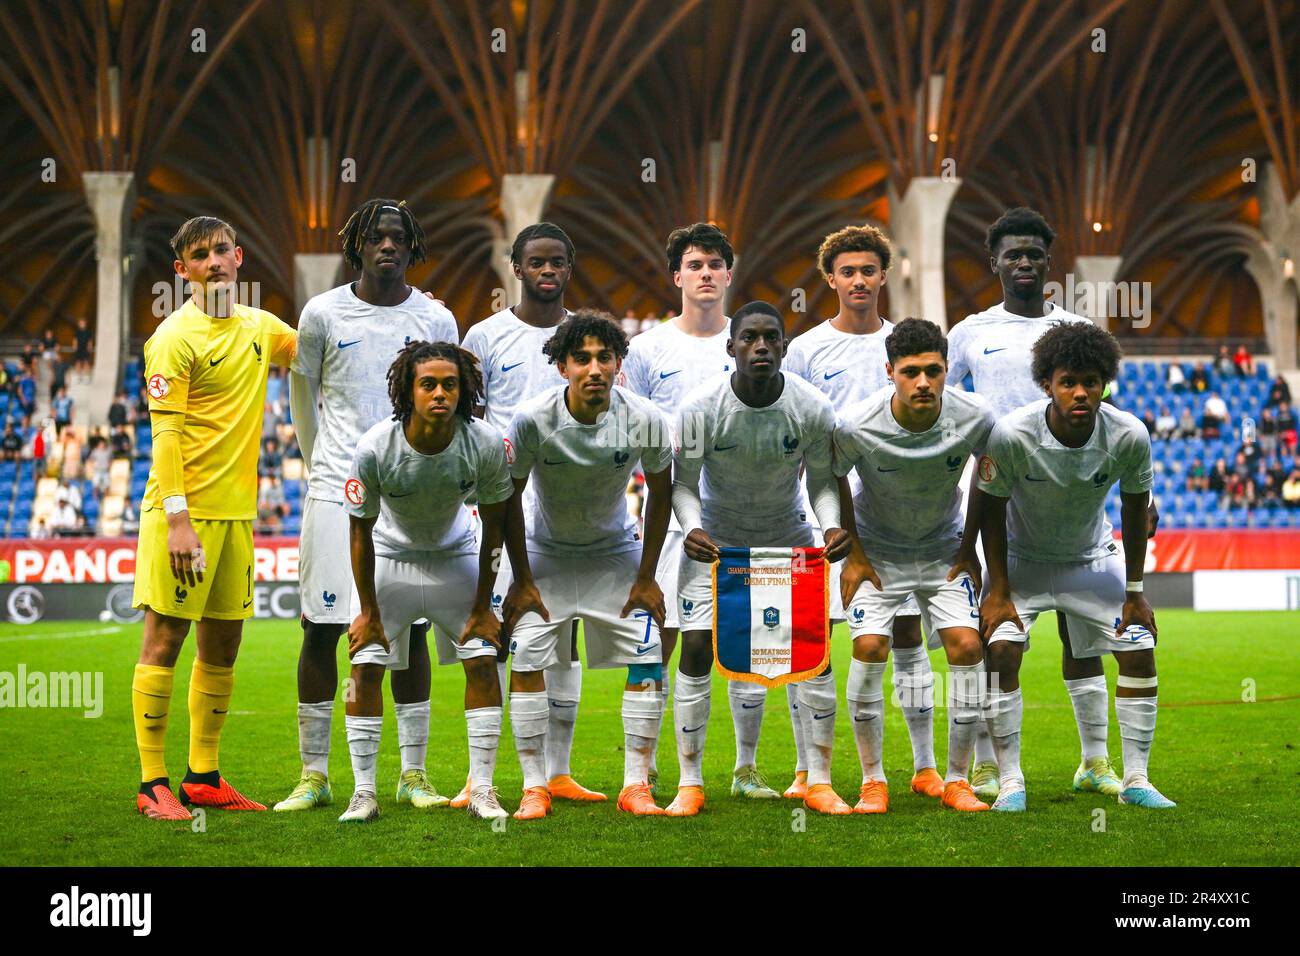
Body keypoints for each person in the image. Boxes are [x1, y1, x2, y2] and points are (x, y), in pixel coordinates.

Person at [278, 198, 459, 814]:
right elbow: (303, 392)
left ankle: (413, 774)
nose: (388, 246)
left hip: (411, 497)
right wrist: (316, 463)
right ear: (357, 245)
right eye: (376, 238)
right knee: (322, 629)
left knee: (409, 632)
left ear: (413, 246)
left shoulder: (435, 316)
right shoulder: (322, 313)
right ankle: (313, 774)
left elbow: (448, 406)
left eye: (398, 238)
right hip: (334, 490)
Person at [947, 206, 1131, 800]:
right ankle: (986, 765)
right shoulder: (970, 332)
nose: (1023, 262)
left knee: (1083, 642)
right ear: (994, 263)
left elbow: (1106, 419)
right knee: (992, 639)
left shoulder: (1079, 326)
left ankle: (1096, 764)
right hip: (995, 504)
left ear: (1048, 263)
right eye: (1012, 254)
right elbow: (946, 417)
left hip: (1073, 505)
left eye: (1033, 253)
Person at [130, 215, 297, 820]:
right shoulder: (174, 337)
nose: (214, 262)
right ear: (183, 271)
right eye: (199, 256)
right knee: (165, 638)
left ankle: (203, 776)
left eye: (222, 250)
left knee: (224, 642)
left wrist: (402, 312)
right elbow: (165, 436)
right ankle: (153, 785)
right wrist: (178, 519)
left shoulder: (261, 326)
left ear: (240, 255)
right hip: (184, 514)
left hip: (236, 516)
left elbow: (317, 348)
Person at [978, 321, 1173, 810]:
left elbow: (1135, 509)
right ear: (1048, 384)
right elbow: (991, 513)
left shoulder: (1129, 434)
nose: (1081, 392)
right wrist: (997, 589)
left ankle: (1136, 779)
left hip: (1090, 560)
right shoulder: (1012, 434)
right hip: (1022, 562)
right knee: (1001, 651)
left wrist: (1134, 592)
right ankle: (1010, 781)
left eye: (1091, 381)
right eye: (1068, 382)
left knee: (1138, 645)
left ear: (1105, 381)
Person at [667, 301, 852, 817]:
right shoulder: (701, 408)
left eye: (771, 337)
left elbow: (821, 481)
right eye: (749, 338)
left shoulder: (811, 407)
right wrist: (693, 528)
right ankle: (690, 781)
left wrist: (831, 524)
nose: (761, 346)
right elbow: (682, 485)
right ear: (731, 348)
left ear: (784, 347)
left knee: (810, 655)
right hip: (718, 545)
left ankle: (817, 780)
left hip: (787, 541)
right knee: (699, 648)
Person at [784, 223, 939, 801]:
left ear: (884, 275)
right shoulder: (805, 349)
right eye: (846, 271)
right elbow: (794, 425)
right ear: (830, 279)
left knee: (905, 636)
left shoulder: (906, 342)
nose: (858, 280)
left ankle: (923, 766)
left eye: (868, 270)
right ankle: (809, 768)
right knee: (815, 638)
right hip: (825, 512)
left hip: (899, 513)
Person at [501, 311, 674, 819]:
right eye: (582, 359)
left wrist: (646, 578)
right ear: (562, 368)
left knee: (646, 656)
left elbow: (661, 494)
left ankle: (636, 785)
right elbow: (507, 499)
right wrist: (522, 580)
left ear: (620, 364)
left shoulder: (643, 417)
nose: (594, 368)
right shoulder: (531, 418)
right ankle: (536, 786)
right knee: (529, 658)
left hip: (613, 555)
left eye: (605, 358)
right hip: (544, 554)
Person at [339, 341, 514, 822]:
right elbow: (359, 533)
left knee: (482, 660)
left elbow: (495, 529)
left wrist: (484, 605)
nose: (440, 393)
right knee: (366, 666)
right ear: (407, 391)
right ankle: (364, 794)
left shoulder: (485, 443)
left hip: (455, 557)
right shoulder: (376, 446)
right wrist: (369, 612)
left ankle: (483, 789)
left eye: (450, 384)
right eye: (428, 384)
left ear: (464, 390)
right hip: (389, 560)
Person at [461, 222, 604, 804]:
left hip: (563, 503)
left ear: (570, 268)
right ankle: (482, 774)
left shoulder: (584, 338)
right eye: (536, 262)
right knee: (496, 635)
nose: (547, 271)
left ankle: (556, 770)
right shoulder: (486, 334)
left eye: (558, 262)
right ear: (515, 268)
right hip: (498, 499)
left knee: (558, 631)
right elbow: (470, 417)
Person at [834, 319, 994, 813]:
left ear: (947, 370)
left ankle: (957, 779)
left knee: (967, 646)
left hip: (943, 549)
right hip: (878, 552)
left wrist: (970, 549)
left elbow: (989, 482)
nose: (923, 382)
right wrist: (854, 555)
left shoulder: (976, 417)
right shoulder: (856, 423)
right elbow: (833, 479)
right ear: (890, 372)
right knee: (870, 645)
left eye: (933, 371)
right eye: (910, 372)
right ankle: (873, 780)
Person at [621, 222, 736, 797]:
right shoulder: (646, 349)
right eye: (695, 264)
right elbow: (628, 426)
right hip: (667, 519)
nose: (706, 273)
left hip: (740, 518)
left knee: (735, 644)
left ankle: (745, 769)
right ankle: (640, 769)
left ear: (729, 274)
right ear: (677, 277)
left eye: (715, 263)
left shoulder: (750, 340)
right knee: (653, 641)